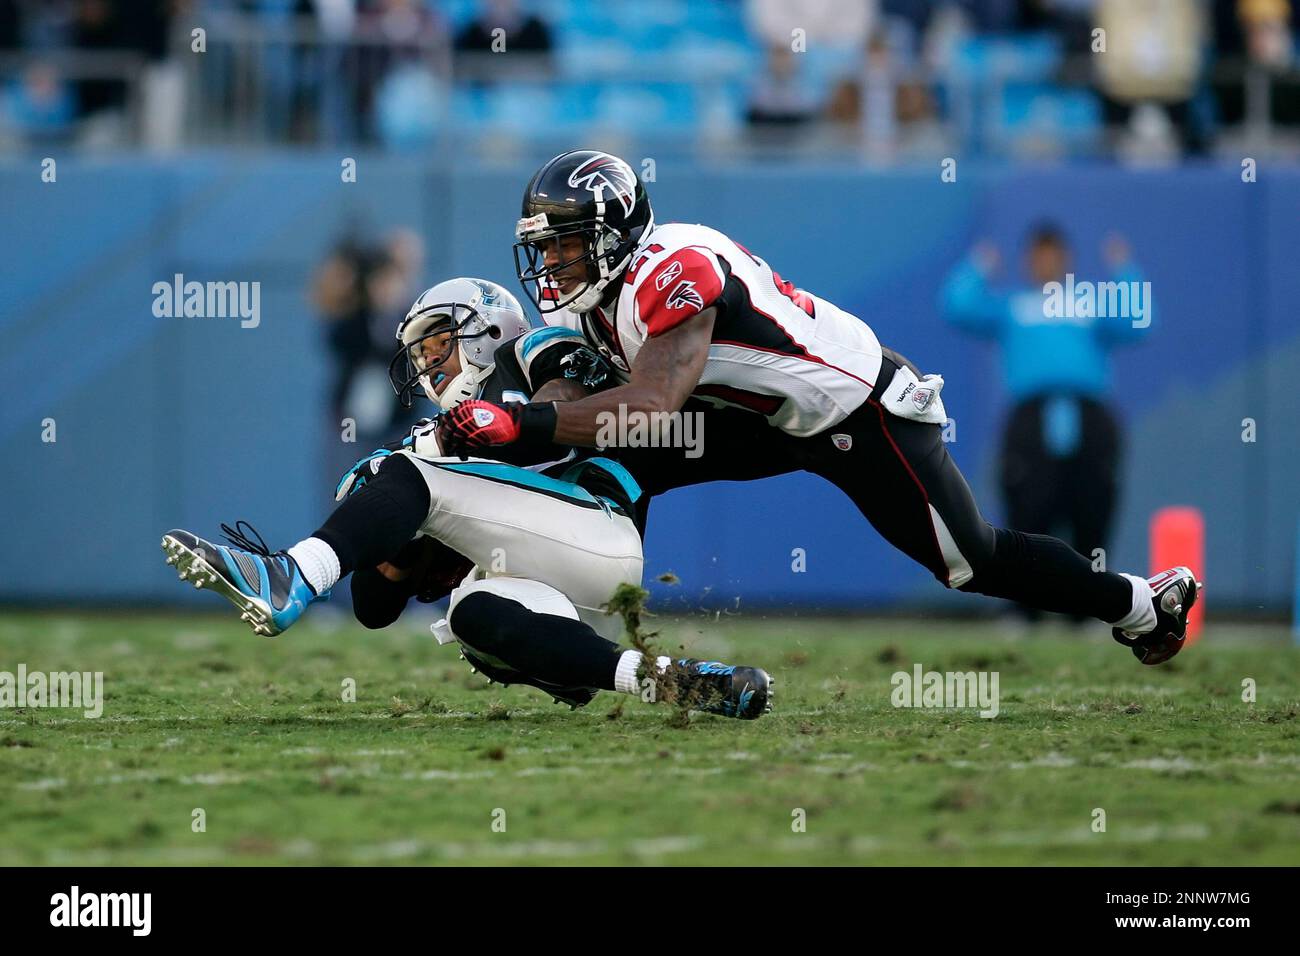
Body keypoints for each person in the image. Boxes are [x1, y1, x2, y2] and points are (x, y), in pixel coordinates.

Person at [434, 149, 1199, 666]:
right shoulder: (593, 300)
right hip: (753, 420)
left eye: (565, 243)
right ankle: (590, 629)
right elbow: (579, 396)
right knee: (604, 454)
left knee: (969, 561)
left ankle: (1138, 603)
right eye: (547, 245)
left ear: (613, 236)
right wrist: (519, 422)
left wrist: (528, 424)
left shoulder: (676, 269)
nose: (552, 262)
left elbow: (653, 399)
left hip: (851, 413)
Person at [160, 277, 771, 718]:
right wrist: (402, 546)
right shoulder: (440, 438)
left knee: (411, 473)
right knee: (470, 614)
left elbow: (564, 394)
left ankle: (289, 576)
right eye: (419, 355)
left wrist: (495, 427)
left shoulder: (532, 351)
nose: (428, 365)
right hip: (570, 598)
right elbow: (375, 608)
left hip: (598, 530)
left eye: (437, 343)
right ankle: (671, 679)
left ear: (484, 330)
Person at [940, 224, 1152, 623]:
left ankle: (1089, 611)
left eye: (1054, 254)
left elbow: (1139, 322)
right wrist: (977, 267)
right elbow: (958, 307)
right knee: (1028, 511)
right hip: (1030, 419)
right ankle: (1025, 611)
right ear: (1028, 261)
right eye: (1039, 255)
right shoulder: (1013, 306)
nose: (1047, 262)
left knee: (1092, 510)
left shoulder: (1088, 304)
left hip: (1090, 417)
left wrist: (1125, 270)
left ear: (1066, 259)